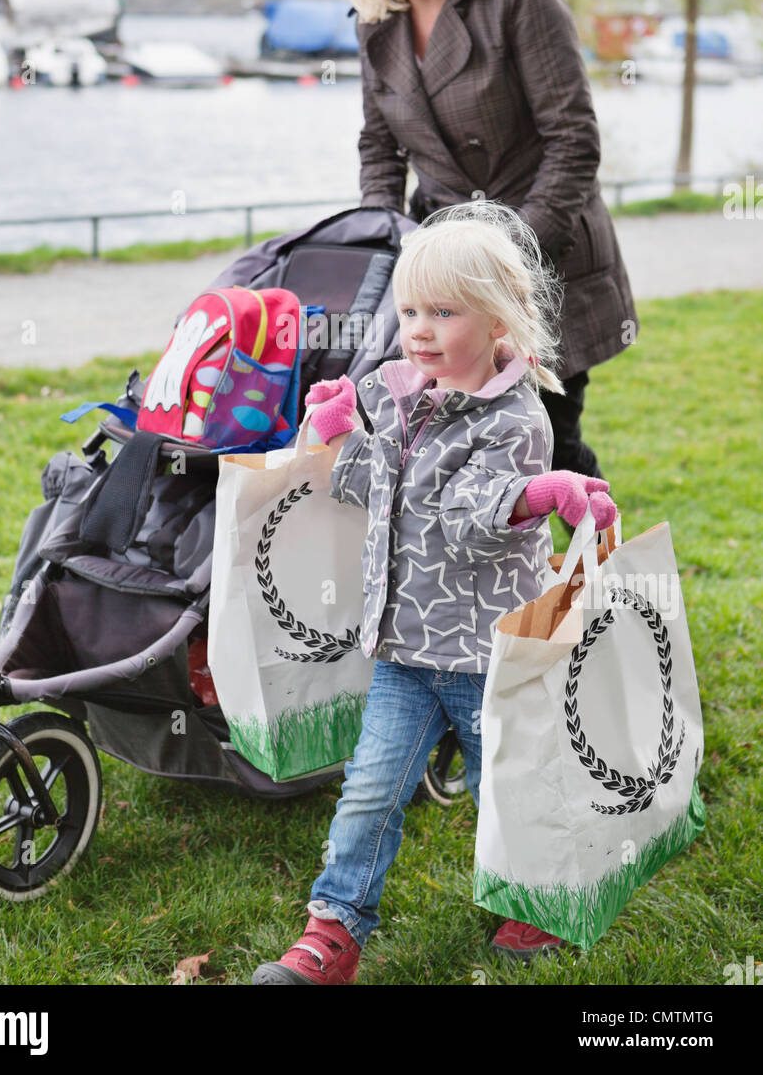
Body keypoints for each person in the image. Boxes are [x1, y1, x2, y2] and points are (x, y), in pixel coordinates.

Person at [251, 202, 617, 984]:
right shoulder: (402, 395)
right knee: (368, 795)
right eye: (410, 310)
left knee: (510, 790)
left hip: (487, 656)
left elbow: (466, 522)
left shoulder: (514, 421)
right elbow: (369, 496)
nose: (418, 329)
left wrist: (534, 495)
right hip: (404, 648)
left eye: (443, 312)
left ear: (497, 323)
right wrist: (343, 433)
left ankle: (543, 900)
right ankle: (334, 930)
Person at [322, 0, 639, 490]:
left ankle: (610, 571)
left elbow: (573, 141)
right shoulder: (376, 28)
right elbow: (379, 148)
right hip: (440, 284)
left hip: (544, 260)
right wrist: (379, 240)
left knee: (546, 446)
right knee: (457, 456)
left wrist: (503, 257)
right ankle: (504, 586)